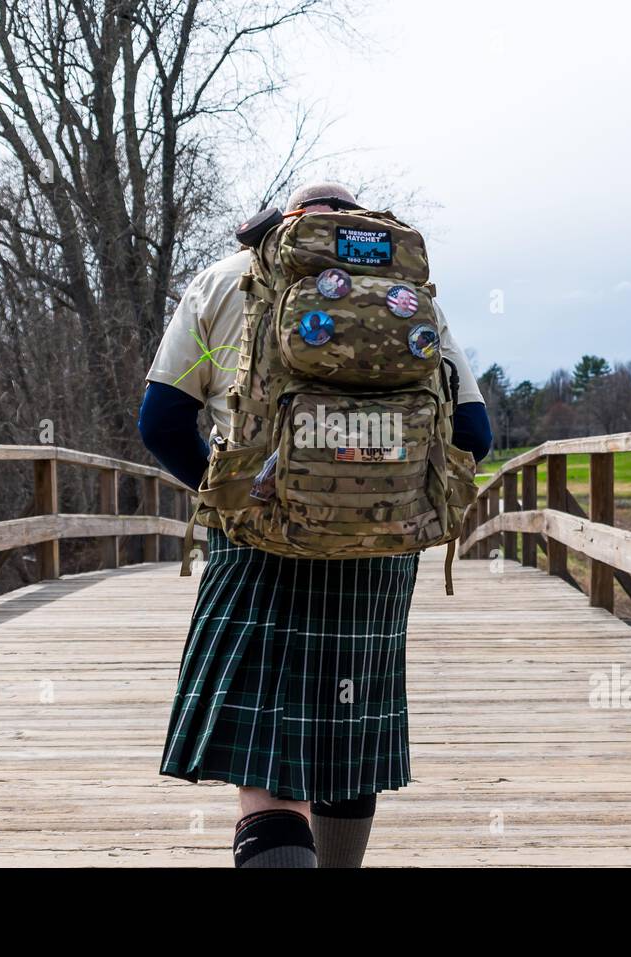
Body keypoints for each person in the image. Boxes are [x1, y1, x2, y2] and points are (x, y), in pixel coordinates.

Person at [138, 181, 492, 868]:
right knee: (349, 749)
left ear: (289, 221)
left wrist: (237, 498)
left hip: (259, 537)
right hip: (382, 550)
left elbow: (160, 422)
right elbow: (473, 432)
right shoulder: (407, 292)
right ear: (358, 223)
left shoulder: (224, 279)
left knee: (271, 773)